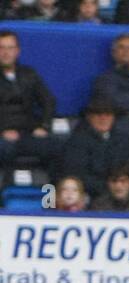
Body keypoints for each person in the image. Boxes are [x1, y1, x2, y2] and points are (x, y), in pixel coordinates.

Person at [0, 30, 59, 176]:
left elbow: (48, 101)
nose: (6, 52)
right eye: (1, 48)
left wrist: (44, 126)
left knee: (56, 147)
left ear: (17, 51)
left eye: (10, 48)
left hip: (28, 132)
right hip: (3, 136)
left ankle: (50, 196)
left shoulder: (29, 74)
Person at [62, 101, 129, 199]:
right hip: (89, 193)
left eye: (108, 114)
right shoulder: (77, 141)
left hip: (119, 191)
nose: (103, 118)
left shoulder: (122, 140)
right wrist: (107, 187)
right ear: (89, 117)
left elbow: (128, 167)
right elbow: (77, 174)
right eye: (98, 114)